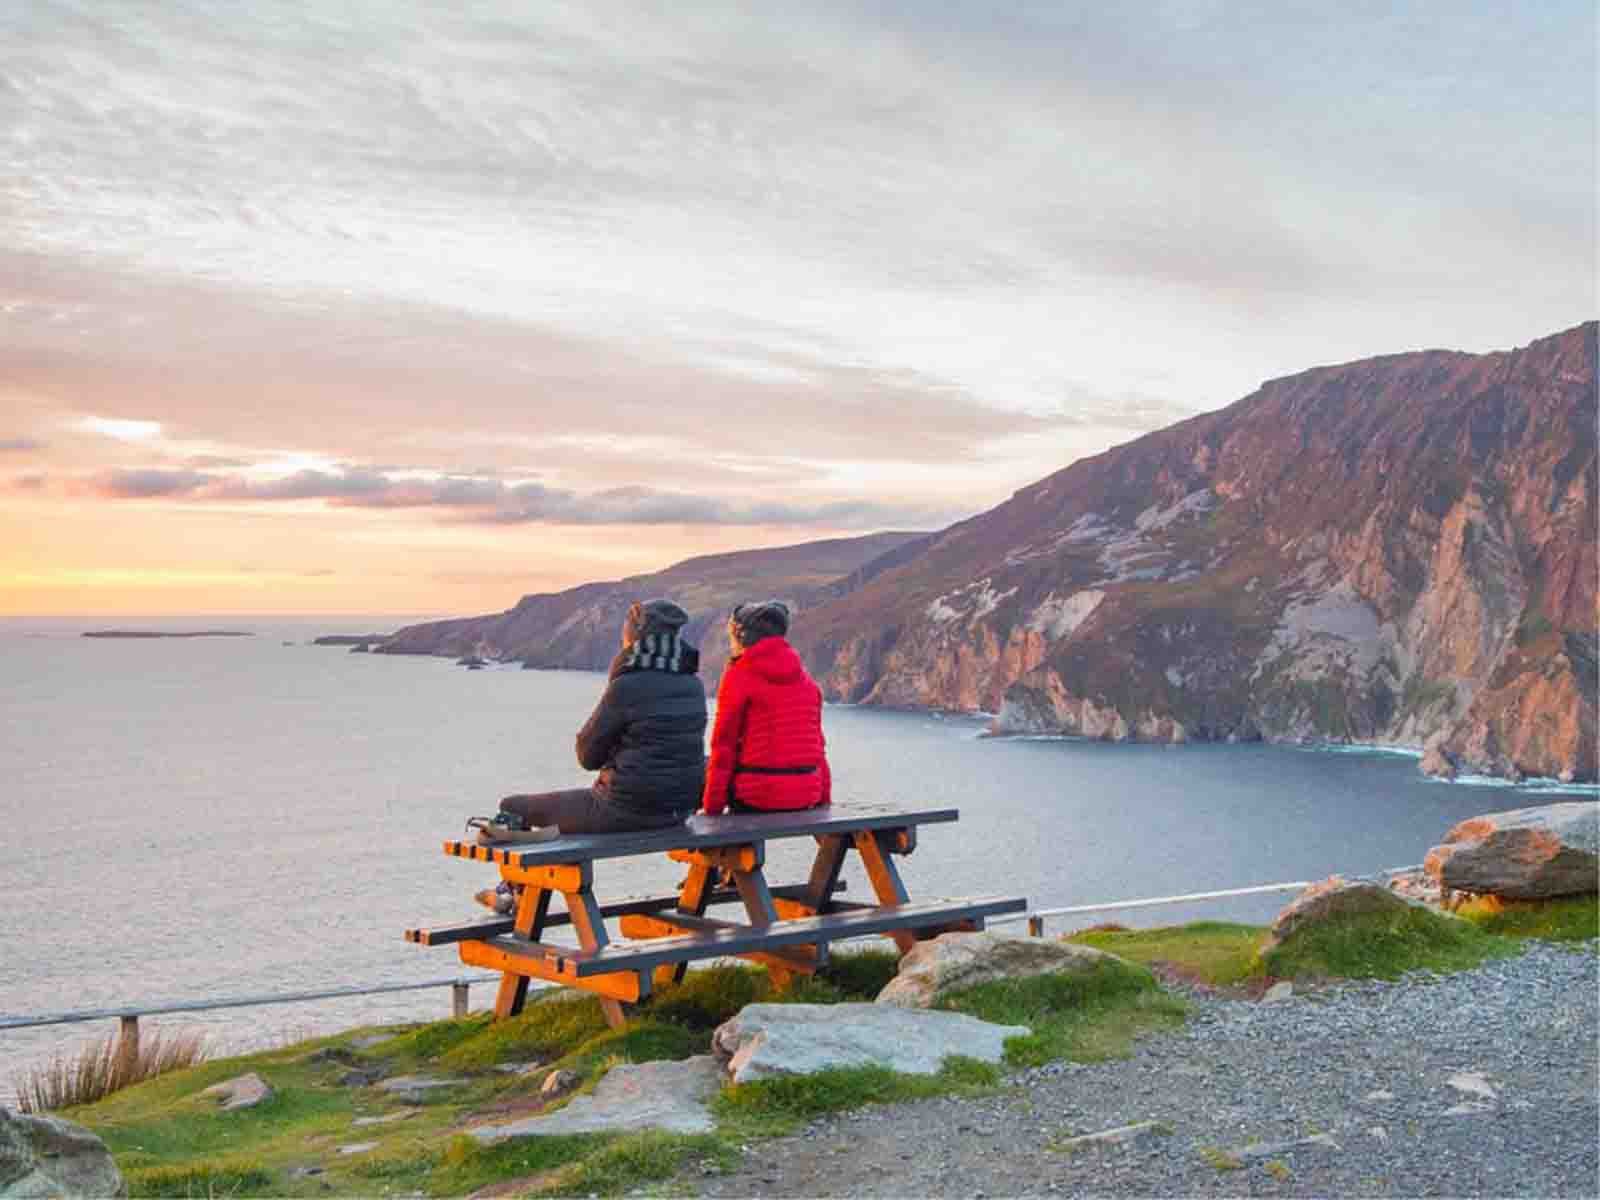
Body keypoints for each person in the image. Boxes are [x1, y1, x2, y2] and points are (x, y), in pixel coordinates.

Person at [474, 598, 707, 913]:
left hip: (624, 809)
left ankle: (513, 892)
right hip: (678, 810)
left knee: (512, 806)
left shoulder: (626, 686)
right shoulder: (693, 685)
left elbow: (587, 757)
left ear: (635, 637)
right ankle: (514, 891)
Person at [700, 600, 831, 816]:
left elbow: (723, 746)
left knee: (698, 769)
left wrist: (711, 810)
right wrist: (823, 801)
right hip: (807, 794)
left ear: (741, 635)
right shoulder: (806, 681)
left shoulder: (739, 675)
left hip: (757, 797)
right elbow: (818, 747)